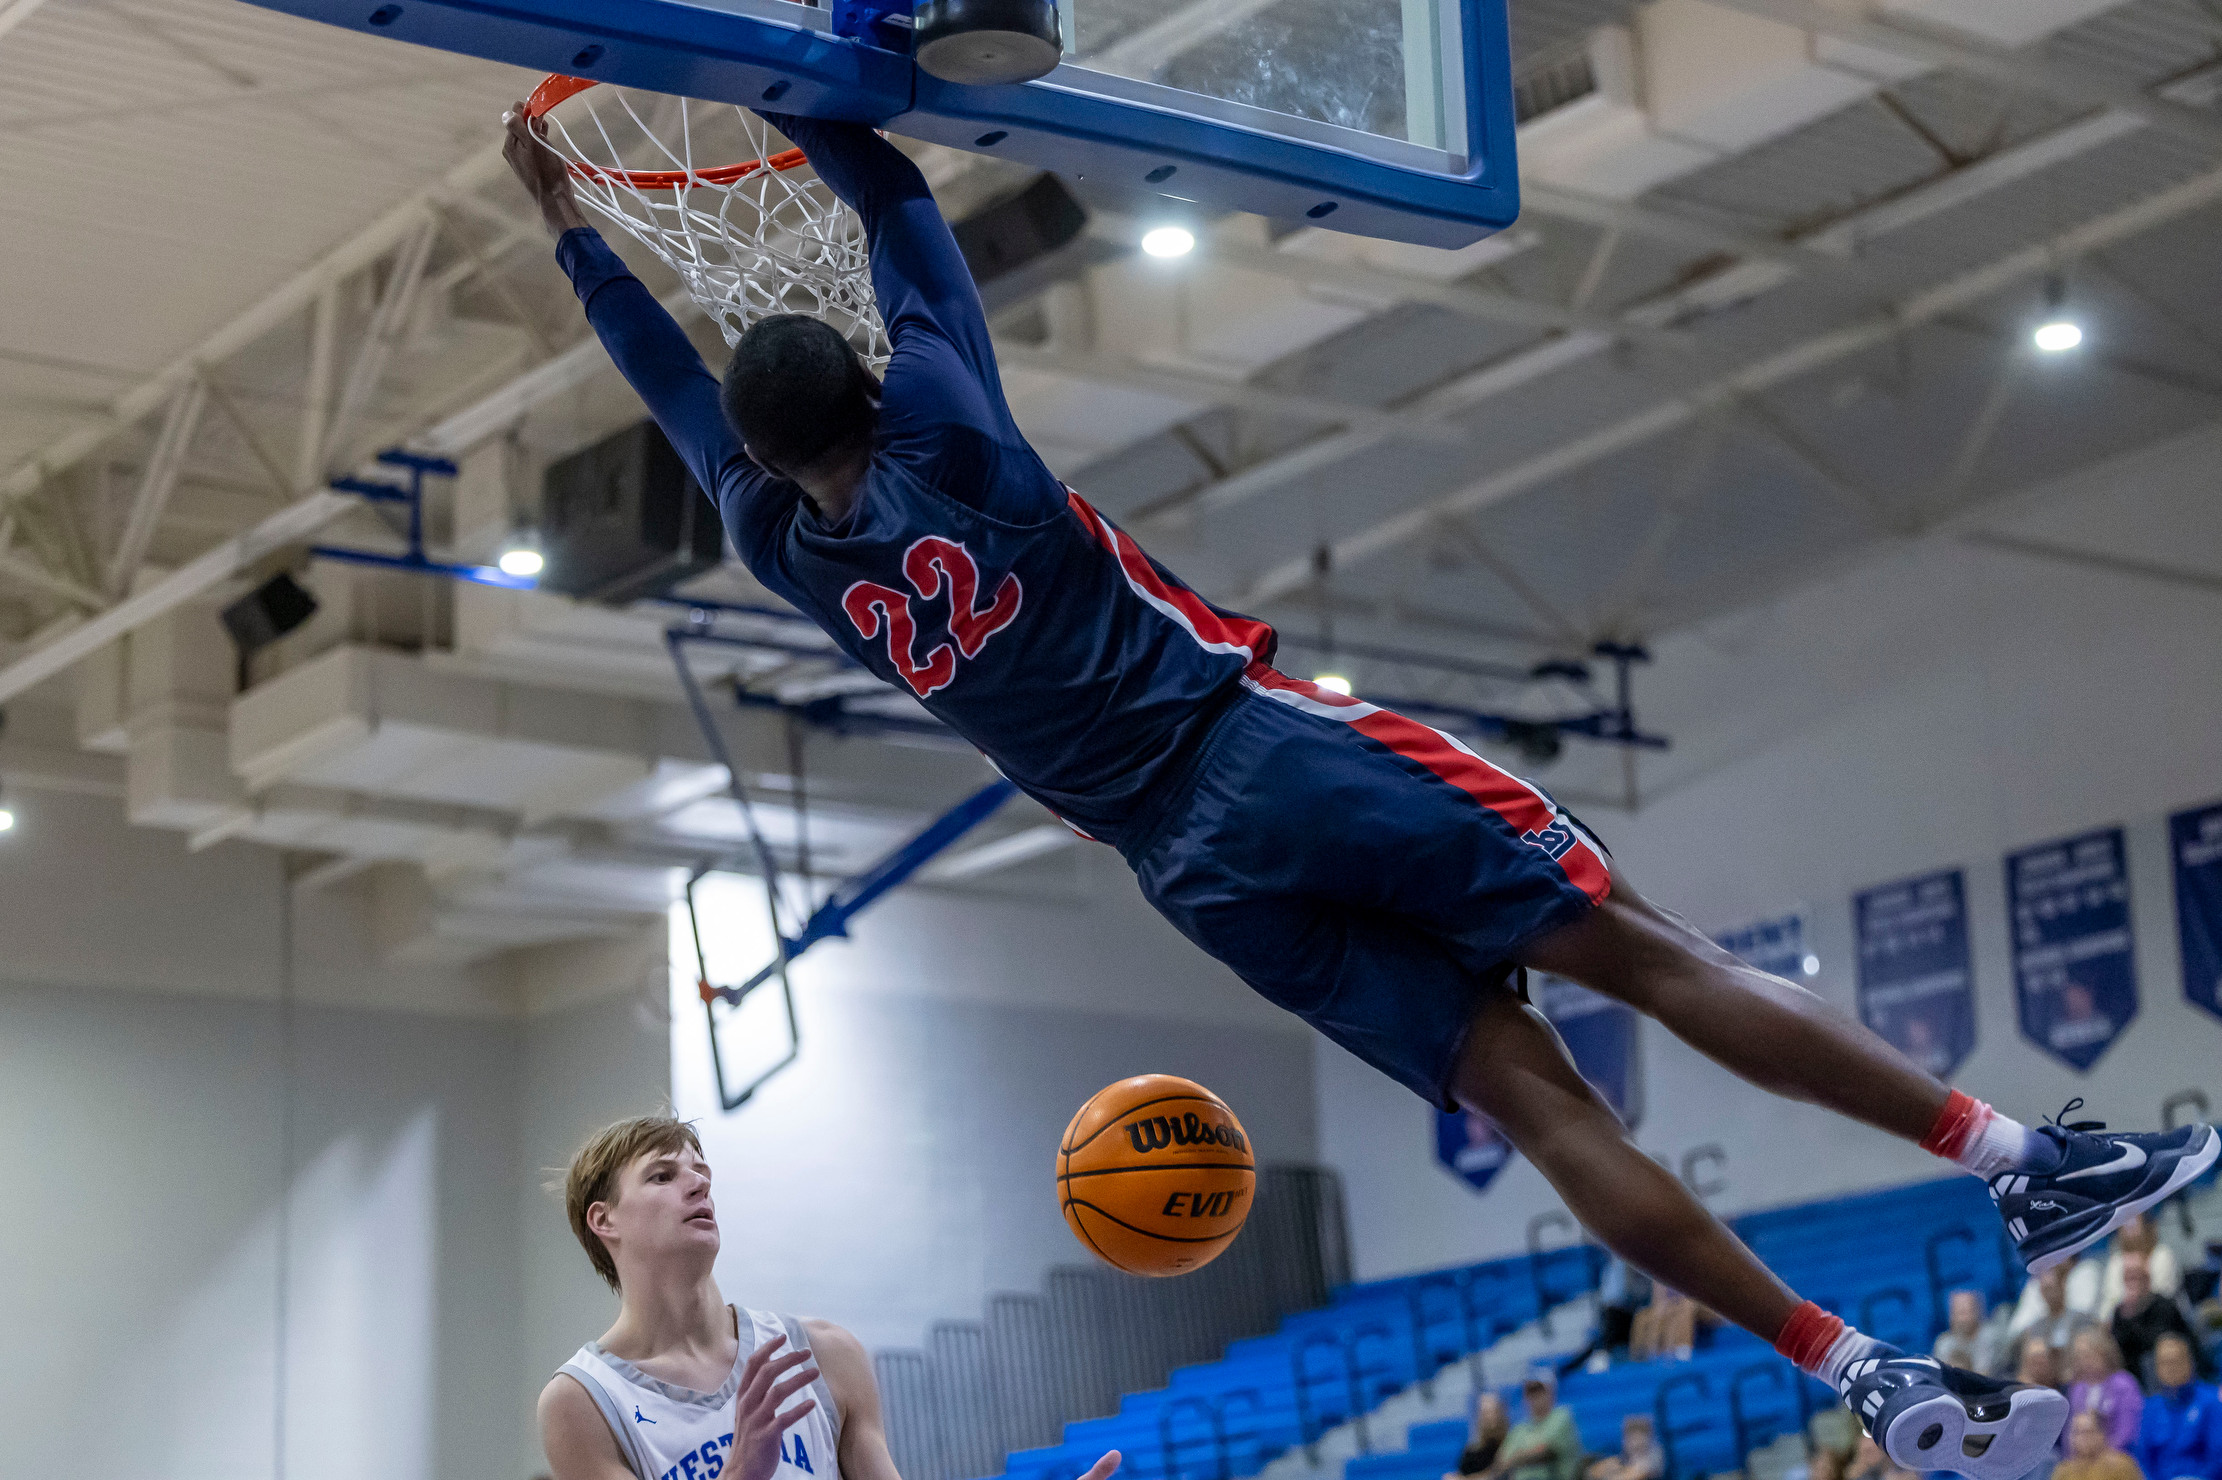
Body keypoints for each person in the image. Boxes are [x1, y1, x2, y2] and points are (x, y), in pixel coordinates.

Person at [502, 97, 2219, 1480]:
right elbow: (894, 210)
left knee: (1545, 1112)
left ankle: (1850, 1368)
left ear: (764, 461)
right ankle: (2011, 1163)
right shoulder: (950, 434)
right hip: (1258, 748)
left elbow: (673, 389)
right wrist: (817, 92)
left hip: (1190, 874)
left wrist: (579, 239)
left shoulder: (783, 547)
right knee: (1648, 951)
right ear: (869, 386)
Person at [535, 1115, 1124, 1480]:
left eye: (701, 1171)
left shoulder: (825, 1351)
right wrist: (740, 1472)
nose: (698, 1182)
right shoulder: (582, 1401)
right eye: (664, 1175)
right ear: (603, 1220)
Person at [2115, 1254, 2210, 1388]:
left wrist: (2133, 1316)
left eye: (2136, 1278)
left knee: (2151, 1359)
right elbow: (2118, 1352)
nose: (2132, 1284)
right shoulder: (2120, 1313)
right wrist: (2128, 1315)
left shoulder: (2164, 1305)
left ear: (2147, 1280)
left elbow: (2158, 1343)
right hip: (2138, 1378)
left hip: (2175, 1365)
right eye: (2128, 1279)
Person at [2135, 1335, 2222, 1480]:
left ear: (2189, 1362)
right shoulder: (2150, 1407)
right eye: (2164, 1363)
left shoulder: (2210, 1402)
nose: (2171, 1368)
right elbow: (2143, 1458)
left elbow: (2217, 1456)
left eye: (2175, 1361)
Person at [1486, 1375, 1582, 1480]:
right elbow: (1501, 1461)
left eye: (1539, 1392)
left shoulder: (1561, 1417)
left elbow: (1544, 1452)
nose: (1535, 1398)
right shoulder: (1519, 1429)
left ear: (1550, 1393)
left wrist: (1515, 1459)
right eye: (1531, 1394)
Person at [2073, 1329, 2147, 1454]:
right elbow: (2071, 1433)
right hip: (2083, 1460)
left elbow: (2128, 1431)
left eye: (2089, 1355)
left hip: (2119, 1457)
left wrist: (2102, 1456)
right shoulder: (2077, 1389)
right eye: (2080, 1356)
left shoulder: (2124, 1384)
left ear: (2105, 1354)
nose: (2085, 1361)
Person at [2102, 1218, 2188, 1325]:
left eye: (2134, 1223)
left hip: (2164, 1320)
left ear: (2149, 1227)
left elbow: (2163, 1293)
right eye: (2126, 1224)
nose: (2130, 1230)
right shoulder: (2116, 1261)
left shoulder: (2162, 1254)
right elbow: (2111, 1300)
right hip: (2125, 1321)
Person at [2016, 1264, 2105, 1367]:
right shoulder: (2036, 1328)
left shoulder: (2083, 1320)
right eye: (2045, 1290)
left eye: (2051, 1288)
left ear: (2063, 1285)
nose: (2049, 1296)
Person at [1938, 1289, 2010, 1376]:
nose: (1963, 1319)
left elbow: (1983, 1377)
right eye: (1959, 1313)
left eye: (1967, 1312)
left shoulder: (1990, 1337)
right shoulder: (1943, 1343)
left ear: (1978, 1312)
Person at [2057, 1411, 2146, 1480]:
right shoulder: (2064, 1470)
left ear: (2101, 1435)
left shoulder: (2121, 1465)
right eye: (2077, 1432)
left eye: (2088, 1432)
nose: (2082, 1438)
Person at [1449, 1392, 1514, 1479]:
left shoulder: (1511, 1445)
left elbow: (1497, 1472)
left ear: (1501, 1414)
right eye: (1485, 1413)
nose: (1489, 1418)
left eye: (1493, 1412)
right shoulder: (1472, 1452)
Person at [1585, 1415, 1664, 1480]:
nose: (1635, 1444)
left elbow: (1637, 1473)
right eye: (1631, 1439)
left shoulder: (1655, 1457)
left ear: (1649, 1438)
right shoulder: (1621, 1459)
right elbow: (1591, 1473)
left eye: (1639, 1439)